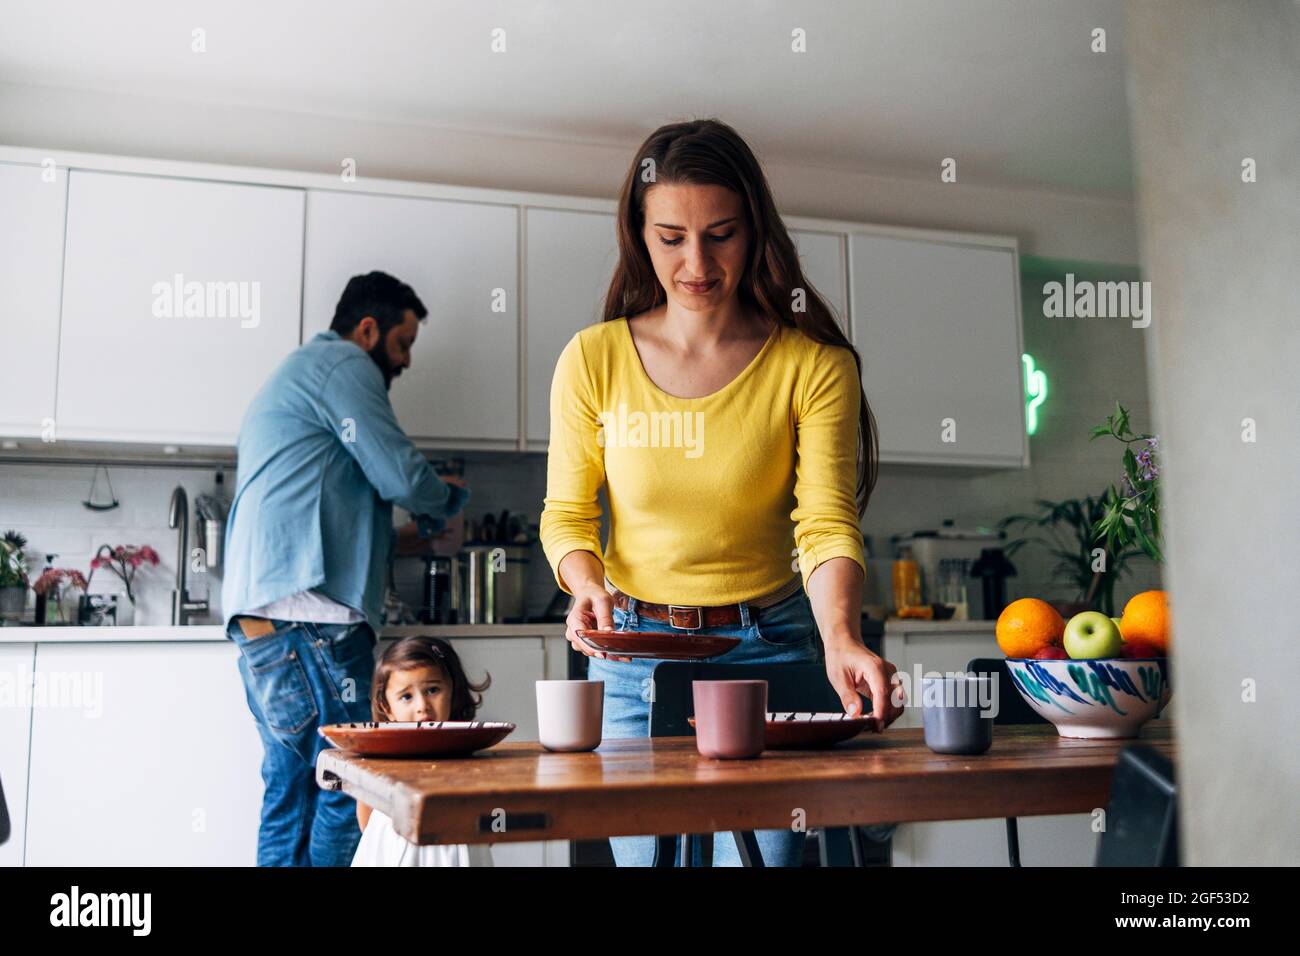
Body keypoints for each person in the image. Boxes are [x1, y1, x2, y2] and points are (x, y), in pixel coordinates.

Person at [539, 119, 906, 867]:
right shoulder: (593, 359)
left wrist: (840, 637)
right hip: (634, 660)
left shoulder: (813, 365)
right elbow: (568, 514)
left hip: (770, 651)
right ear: (639, 234)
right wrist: (584, 584)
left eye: (722, 234)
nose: (696, 262)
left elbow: (827, 522)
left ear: (757, 232)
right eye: (671, 237)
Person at [223, 271, 470, 867]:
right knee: (344, 786)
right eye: (402, 343)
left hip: (271, 625)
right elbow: (401, 475)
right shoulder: (345, 367)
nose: (405, 361)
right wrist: (449, 499)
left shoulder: (301, 376)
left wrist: (407, 536)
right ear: (367, 330)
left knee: (291, 794)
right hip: (314, 625)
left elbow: (343, 504)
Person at [352, 636, 494, 867]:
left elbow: (488, 810)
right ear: (386, 708)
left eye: (432, 690)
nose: (422, 706)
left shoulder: (470, 749)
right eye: (406, 696)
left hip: (458, 845)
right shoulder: (380, 753)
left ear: (453, 692)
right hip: (393, 848)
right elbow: (365, 812)